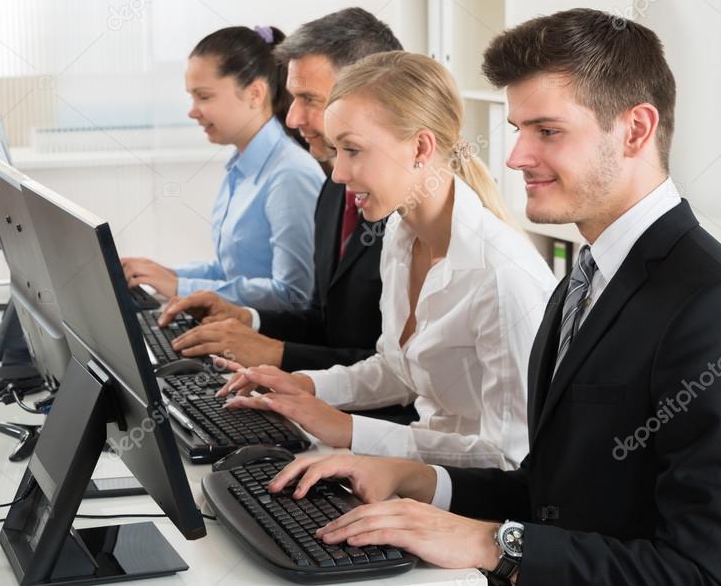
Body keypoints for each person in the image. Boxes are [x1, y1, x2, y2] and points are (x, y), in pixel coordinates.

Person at [263, 9, 721, 585]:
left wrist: (495, 543)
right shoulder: (589, 275)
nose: (515, 157)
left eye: (548, 131)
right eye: (518, 130)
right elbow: (548, 490)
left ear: (636, 130)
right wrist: (413, 480)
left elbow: (703, 574)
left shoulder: (713, 309)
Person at [216, 51, 556, 470]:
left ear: (420, 147)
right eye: (337, 149)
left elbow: (508, 458)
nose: (338, 173)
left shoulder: (502, 275)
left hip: (471, 502)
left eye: (353, 150)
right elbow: (398, 370)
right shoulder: (399, 233)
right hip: (423, 475)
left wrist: (350, 430)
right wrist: (303, 385)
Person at [156, 8, 403, 378]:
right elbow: (326, 322)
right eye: (293, 98)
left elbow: (402, 374)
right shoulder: (336, 192)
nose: (291, 119)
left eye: (310, 99)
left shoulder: (408, 212)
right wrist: (249, 320)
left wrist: (277, 354)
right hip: (328, 395)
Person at [120, 26, 324, 311]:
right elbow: (233, 273)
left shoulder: (290, 174)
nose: (192, 110)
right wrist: (166, 274)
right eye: (191, 97)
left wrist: (179, 287)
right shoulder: (241, 167)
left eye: (203, 96)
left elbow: (292, 295)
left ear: (255, 94)